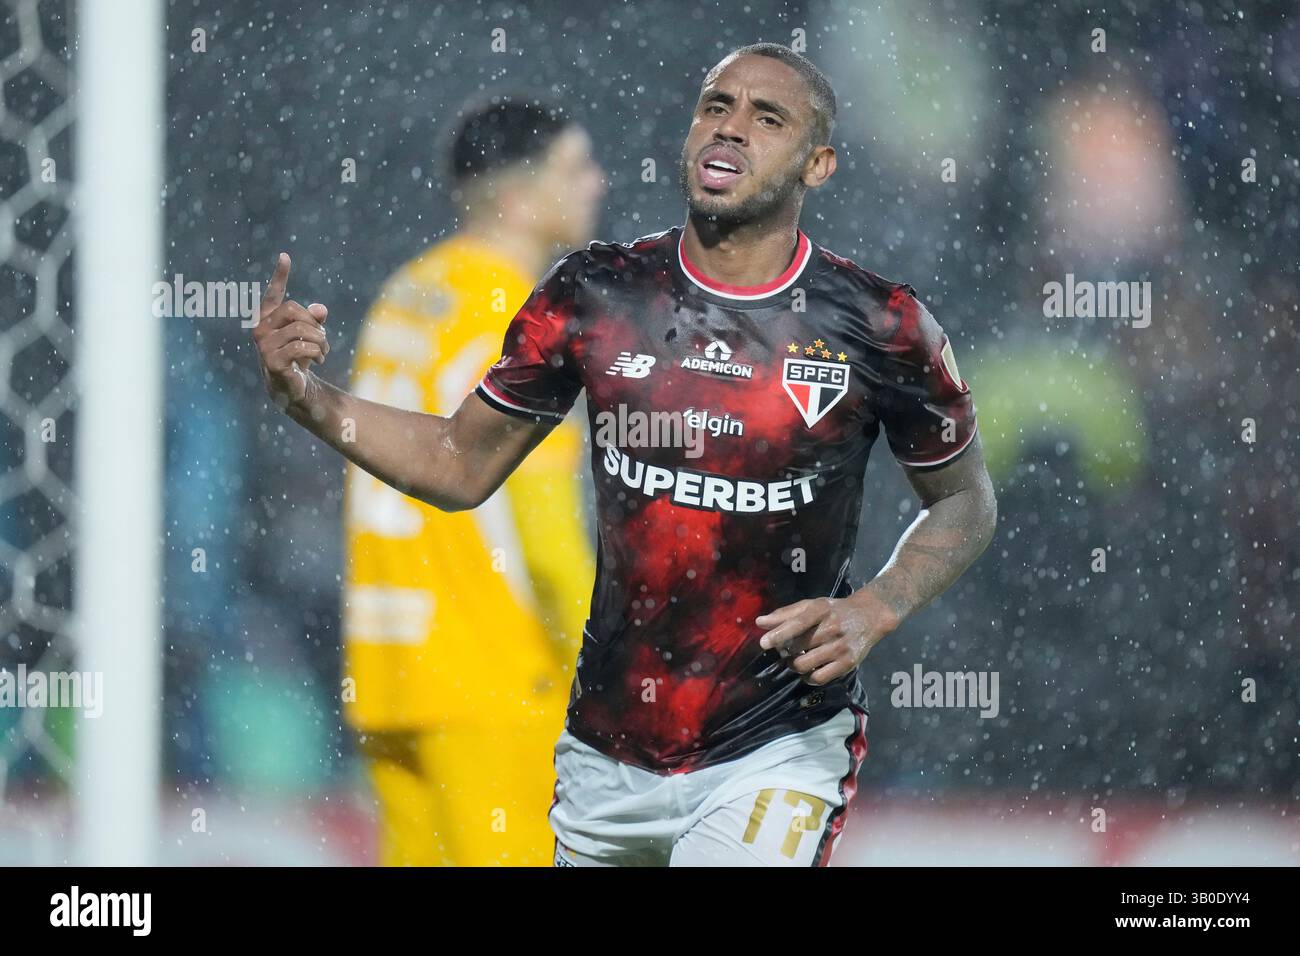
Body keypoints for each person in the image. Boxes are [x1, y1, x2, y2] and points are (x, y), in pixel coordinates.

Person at [251, 42, 997, 867]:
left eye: (767, 117)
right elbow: (460, 464)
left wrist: (877, 606)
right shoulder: (594, 294)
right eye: (717, 106)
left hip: (773, 747)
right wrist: (308, 401)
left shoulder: (880, 323)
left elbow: (964, 500)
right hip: (605, 756)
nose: (732, 127)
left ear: (818, 165)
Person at [341, 96, 603, 865]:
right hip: (496, 673)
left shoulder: (410, 291)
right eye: (575, 167)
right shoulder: (520, 316)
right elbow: (545, 530)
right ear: (519, 199)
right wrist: (616, 666)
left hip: (393, 669)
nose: (598, 181)